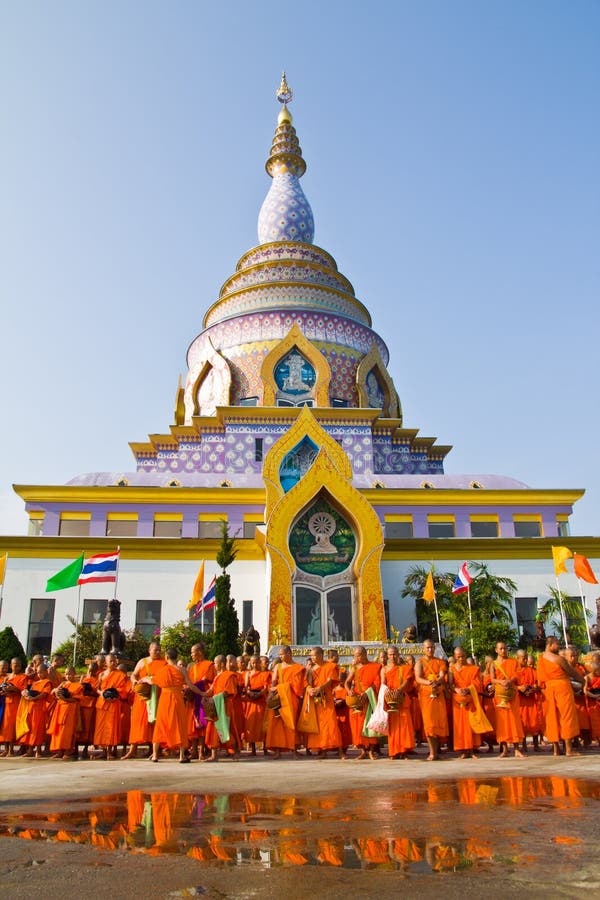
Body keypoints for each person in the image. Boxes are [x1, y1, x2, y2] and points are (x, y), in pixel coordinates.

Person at [149, 648, 203, 763]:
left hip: (165, 698)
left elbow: (152, 681)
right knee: (180, 724)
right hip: (177, 698)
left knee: (161, 724)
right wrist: (202, 693)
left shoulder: (162, 670)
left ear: (166, 657)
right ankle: (182, 756)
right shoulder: (182, 670)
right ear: (176, 657)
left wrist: (140, 680)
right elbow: (191, 686)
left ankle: (155, 755)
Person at [537, 636, 584, 757]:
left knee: (552, 718)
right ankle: (568, 750)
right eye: (557, 644)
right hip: (562, 688)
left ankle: (556, 750)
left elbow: (539, 681)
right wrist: (584, 681)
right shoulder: (558, 659)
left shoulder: (541, 659)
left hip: (548, 690)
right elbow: (572, 672)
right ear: (550, 644)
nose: (559, 646)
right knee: (566, 716)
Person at [122, 643, 167, 760]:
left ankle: (155, 750)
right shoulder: (142, 662)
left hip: (157, 695)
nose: (158, 652)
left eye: (159, 650)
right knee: (138, 722)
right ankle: (132, 750)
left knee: (155, 722)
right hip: (142, 696)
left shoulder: (164, 662)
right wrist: (134, 682)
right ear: (149, 650)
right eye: (155, 650)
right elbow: (134, 675)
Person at [265, 646, 306, 759]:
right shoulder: (278, 666)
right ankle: (277, 751)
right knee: (277, 725)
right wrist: (272, 693)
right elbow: (273, 681)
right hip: (279, 698)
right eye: (280, 655)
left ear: (289, 653)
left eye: (282, 654)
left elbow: (299, 686)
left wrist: (283, 687)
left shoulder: (298, 667)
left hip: (291, 698)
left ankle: (293, 750)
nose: (281, 657)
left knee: (291, 723)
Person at [305, 646, 343, 758]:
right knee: (320, 726)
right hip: (317, 701)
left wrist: (319, 688)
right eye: (311, 655)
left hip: (327, 700)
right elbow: (307, 683)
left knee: (332, 725)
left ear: (321, 655)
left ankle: (340, 750)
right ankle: (323, 751)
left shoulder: (330, 666)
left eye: (314, 655)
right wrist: (310, 689)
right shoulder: (311, 669)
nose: (312, 657)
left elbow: (330, 680)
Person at [414, 639, 448, 761]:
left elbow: (442, 676)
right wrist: (429, 682)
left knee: (438, 723)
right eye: (427, 648)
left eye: (432, 647)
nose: (430, 650)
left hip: (438, 694)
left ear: (435, 648)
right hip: (426, 696)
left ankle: (437, 750)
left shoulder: (440, 662)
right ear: (423, 649)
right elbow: (418, 678)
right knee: (429, 724)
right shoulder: (420, 663)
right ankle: (432, 752)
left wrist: (436, 681)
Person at [345, 646, 381, 759]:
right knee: (359, 726)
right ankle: (363, 751)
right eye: (355, 655)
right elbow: (347, 682)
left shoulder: (375, 666)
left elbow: (377, 682)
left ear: (365, 654)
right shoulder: (355, 668)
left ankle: (371, 751)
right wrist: (349, 690)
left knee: (369, 724)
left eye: (358, 655)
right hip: (358, 700)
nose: (357, 657)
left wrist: (367, 693)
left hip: (369, 698)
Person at [203, 655, 241, 761]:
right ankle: (214, 755)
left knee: (224, 729)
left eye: (215, 663)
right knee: (212, 730)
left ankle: (235, 751)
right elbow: (210, 691)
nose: (214, 665)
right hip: (214, 706)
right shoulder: (217, 677)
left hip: (224, 706)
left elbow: (229, 692)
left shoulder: (229, 676)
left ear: (222, 664)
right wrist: (196, 690)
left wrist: (215, 698)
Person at [491, 642, 524, 758]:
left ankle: (516, 749)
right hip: (500, 694)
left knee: (514, 720)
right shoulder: (493, 664)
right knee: (502, 722)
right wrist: (501, 682)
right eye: (501, 648)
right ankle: (504, 749)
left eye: (505, 648)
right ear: (496, 650)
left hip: (511, 694)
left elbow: (518, 674)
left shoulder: (513, 662)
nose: (503, 651)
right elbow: (492, 679)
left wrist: (510, 681)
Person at [93, 653, 129, 760]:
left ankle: (110, 751)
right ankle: (103, 751)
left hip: (114, 702)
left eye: (114, 661)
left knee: (111, 727)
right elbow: (97, 689)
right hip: (102, 703)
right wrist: (103, 693)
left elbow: (123, 689)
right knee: (101, 728)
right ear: (106, 663)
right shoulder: (101, 675)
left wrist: (113, 694)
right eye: (111, 661)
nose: (113, 663)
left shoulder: (120, 675)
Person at [381, 646, 414, 759]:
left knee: (404, 725)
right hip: (390, 700)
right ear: (387, 656)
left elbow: (407, 681)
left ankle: (404, 751)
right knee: (393, 727)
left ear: (398, 654)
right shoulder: (384, 669)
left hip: (401, 698)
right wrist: (389, 692)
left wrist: (399, 690)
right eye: (390, 654)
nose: (392, 657)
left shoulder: (404, 668)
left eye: (394, 654)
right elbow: (383, 683)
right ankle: (394, 752)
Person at [449, 647, 482, 759]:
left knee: (470, 724)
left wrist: (468, 689)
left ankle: (472, 750)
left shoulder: (473, 669)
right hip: (458, 701)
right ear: (455, 657)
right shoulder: (451, 669)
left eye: (463, 656)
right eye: (458, 657)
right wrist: (457, 690)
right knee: (460, 726)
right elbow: (450, 684)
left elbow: (477, 684)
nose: (461, 659)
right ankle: (463, 750)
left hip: (470, 700)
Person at [47, 666, 84, 759]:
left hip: (70, 710)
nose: (68, 676)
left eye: (70, 674)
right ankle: (59, 751)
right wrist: (56, 692)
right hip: (59, 709)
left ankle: (68, 751)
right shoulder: (63, 684)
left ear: (74, 674)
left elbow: (78, 699)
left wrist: (66, 698)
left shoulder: (78, 685)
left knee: (68, 731)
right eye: (66, 674)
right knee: (58, 731)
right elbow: (53, 692)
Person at [186, 643, 215, 760]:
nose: (191, 654)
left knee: (202, 725)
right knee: (193, 725)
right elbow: (189, 681)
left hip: (204, 698)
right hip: (193, 699)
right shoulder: (192, 667)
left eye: (193, 652)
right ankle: (193, 750)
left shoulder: (209, 665)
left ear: (200, 652)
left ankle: (201, 751)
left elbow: (211, 680)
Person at [19, 663, 53, 758]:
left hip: (40, 709)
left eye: (42, 672)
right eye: (38, 673)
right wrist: (26, 695)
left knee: (38, 729)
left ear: (46, 672)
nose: (40, 674)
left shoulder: (47, 682)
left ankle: (38, 750)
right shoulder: (35, 683)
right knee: (30, 729)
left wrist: (35, 698)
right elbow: (30, 692)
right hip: (31, 708)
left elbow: (45, 694)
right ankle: (30, 750)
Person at [0, 657, 29, 757]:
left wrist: (14, 688)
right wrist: (4, 690)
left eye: (19, 666)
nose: (17, 667)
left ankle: (11, 749)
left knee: (12, 727)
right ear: (11, 666)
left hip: (16, 704)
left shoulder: (23, 677)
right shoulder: (7, 677)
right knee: (5, 727)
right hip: (6, 703)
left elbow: (23, 690)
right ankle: (6, 748)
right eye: (15, 665)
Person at [515, 649, 542, 752]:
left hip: (531, 700)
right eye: (523, 658)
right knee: (522, 723)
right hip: (520, 701)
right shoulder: (515, 672)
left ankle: (536, 745)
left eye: (526, 658)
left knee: (534, 721)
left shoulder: (532, 671)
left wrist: (533, 688)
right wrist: (519, 688)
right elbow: (511, 686)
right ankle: (524, 745)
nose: (525, 660)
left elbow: (538, 684)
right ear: (517, 659)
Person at [244, 654, 271, 755]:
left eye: (257, 662)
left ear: (260, 663)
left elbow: (266, 687)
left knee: (262, 725)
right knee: (251, 725)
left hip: (261, 701)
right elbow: (246, 686)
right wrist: (249, 692)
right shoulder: (248, 674)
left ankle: (265, 748)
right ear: (250, 663)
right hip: (251, 702)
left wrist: (260, 693)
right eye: (253, 662)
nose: (255, 664)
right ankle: (253, 749)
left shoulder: (264, 674)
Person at [566, 646, 592, 748]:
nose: (574, 658)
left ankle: (586, 741)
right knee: (572, 721)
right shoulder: (565, 668)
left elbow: (586, 679)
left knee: (584, 721)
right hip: (571, 698)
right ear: (567, 657)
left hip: (581, 697)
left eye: (576, 656)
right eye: (572, 656)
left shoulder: (580, 667)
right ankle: (575, 740)